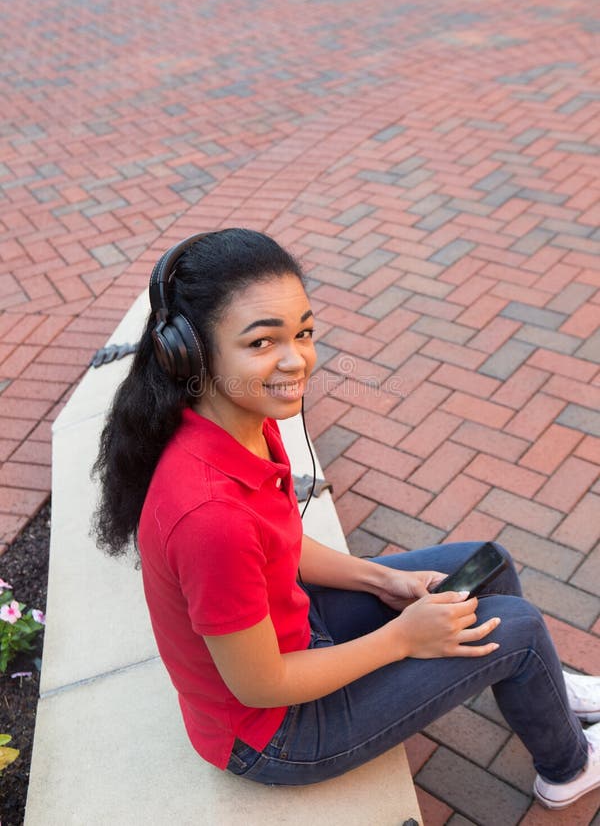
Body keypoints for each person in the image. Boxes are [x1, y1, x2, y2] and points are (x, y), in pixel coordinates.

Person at [93, 228, 600, 810]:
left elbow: (278, 542)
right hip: (277, 732)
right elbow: (259, 684)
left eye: (303, 332)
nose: (296, 360)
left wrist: (382, 579)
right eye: (262, 342)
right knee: (519, 630)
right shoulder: (209, 517)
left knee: (488, 563)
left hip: (295, 632)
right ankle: (568, 768)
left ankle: (546, 688)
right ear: (191, 352)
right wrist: (401, 639)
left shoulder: (236, 424)